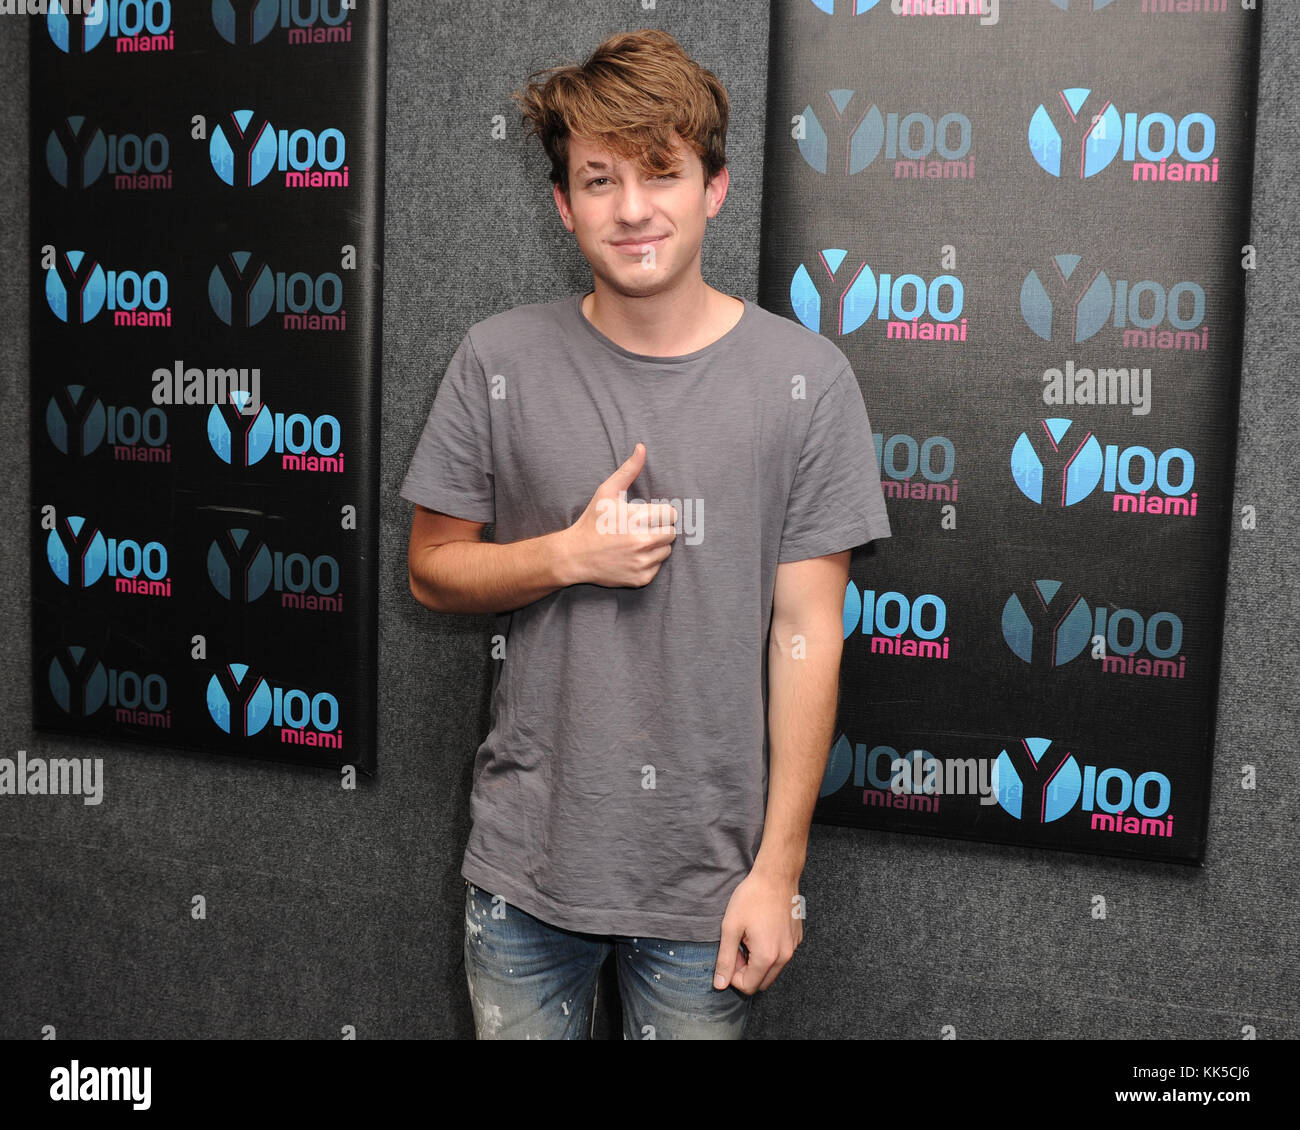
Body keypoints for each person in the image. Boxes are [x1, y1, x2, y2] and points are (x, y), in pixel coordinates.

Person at [401, 28, 891, 1039]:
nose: (630, 208)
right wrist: (566, 555)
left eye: (660, 172)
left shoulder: (805, 383)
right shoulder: (495, 359)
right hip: (525, 870)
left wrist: (778, 871)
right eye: (597, 179)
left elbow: (807, 633)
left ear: (712, 185)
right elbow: (431, 571)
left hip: (706, 889)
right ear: (561, 203)